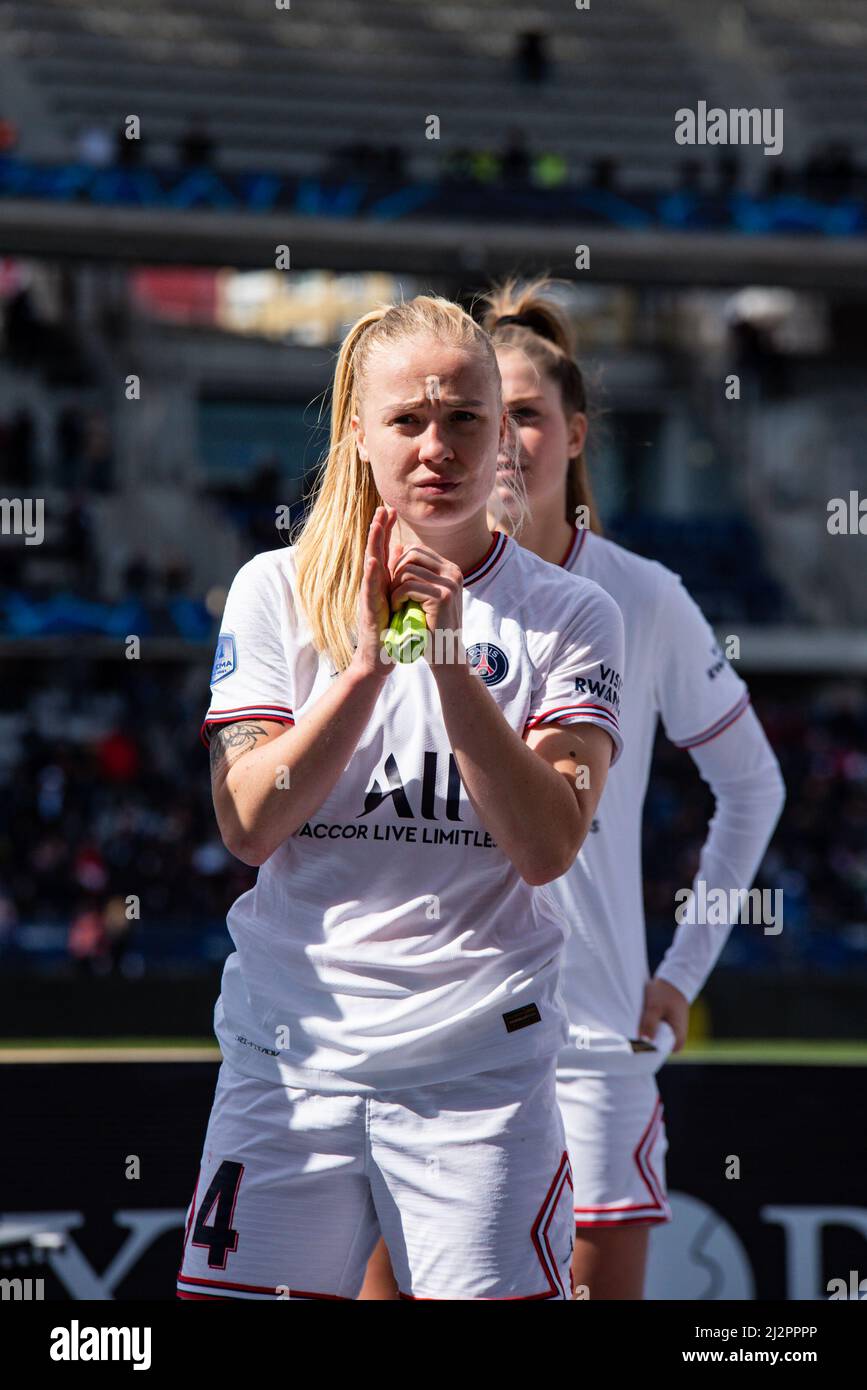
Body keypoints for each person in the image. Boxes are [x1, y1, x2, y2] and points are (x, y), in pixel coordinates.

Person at [178, 292, 625, 1301]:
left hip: (480, 1078)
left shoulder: (573, 614)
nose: (439, 446)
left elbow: (549, 843)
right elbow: (248, 822)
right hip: (288, 1060)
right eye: (409, 420)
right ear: (357, 432)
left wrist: (455, 662)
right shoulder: (273, 590)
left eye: (468, 416)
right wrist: (371, 666)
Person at [360, 278, 785, 1300]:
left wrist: (679, 977)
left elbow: (753, 787)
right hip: (423, 1030)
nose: (500, 441)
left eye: (527, 416)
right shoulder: (402, 589)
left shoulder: (638, 598)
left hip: (587, 1046)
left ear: (576, 432)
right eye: (477, 417)